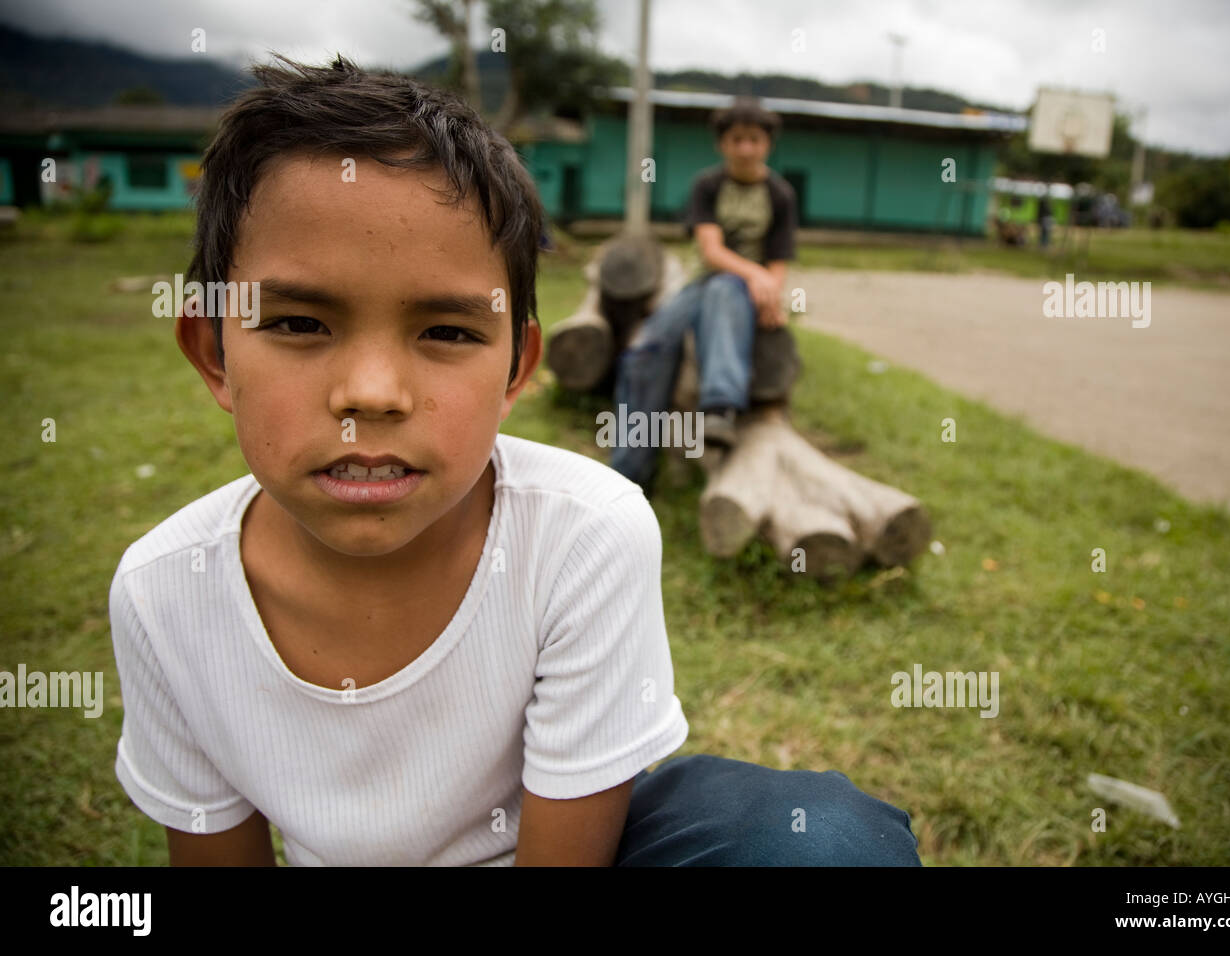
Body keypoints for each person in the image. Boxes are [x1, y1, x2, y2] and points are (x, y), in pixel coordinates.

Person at [107, 55, 921, 867]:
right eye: (298, 324)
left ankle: (723, 407)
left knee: (823, 842)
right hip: (709, 287)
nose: (373, 394)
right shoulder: (164, 594)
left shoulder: (584, 536)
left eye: (448, 332)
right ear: (212, 350)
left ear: (517, 370)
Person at [609, 97, 798, 494]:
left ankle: (719, 407)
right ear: (722, 144)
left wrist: (768, 293)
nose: (745, 147)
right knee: (645, 349)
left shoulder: (780, 194)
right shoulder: (708, 186)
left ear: (768, 144)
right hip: (703, 285)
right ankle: (628, 474)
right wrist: (757, 274)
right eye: (736, 139)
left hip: (743, 295)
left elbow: (779, 260)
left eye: (754, 139)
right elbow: (711, 251)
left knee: (727, 291)